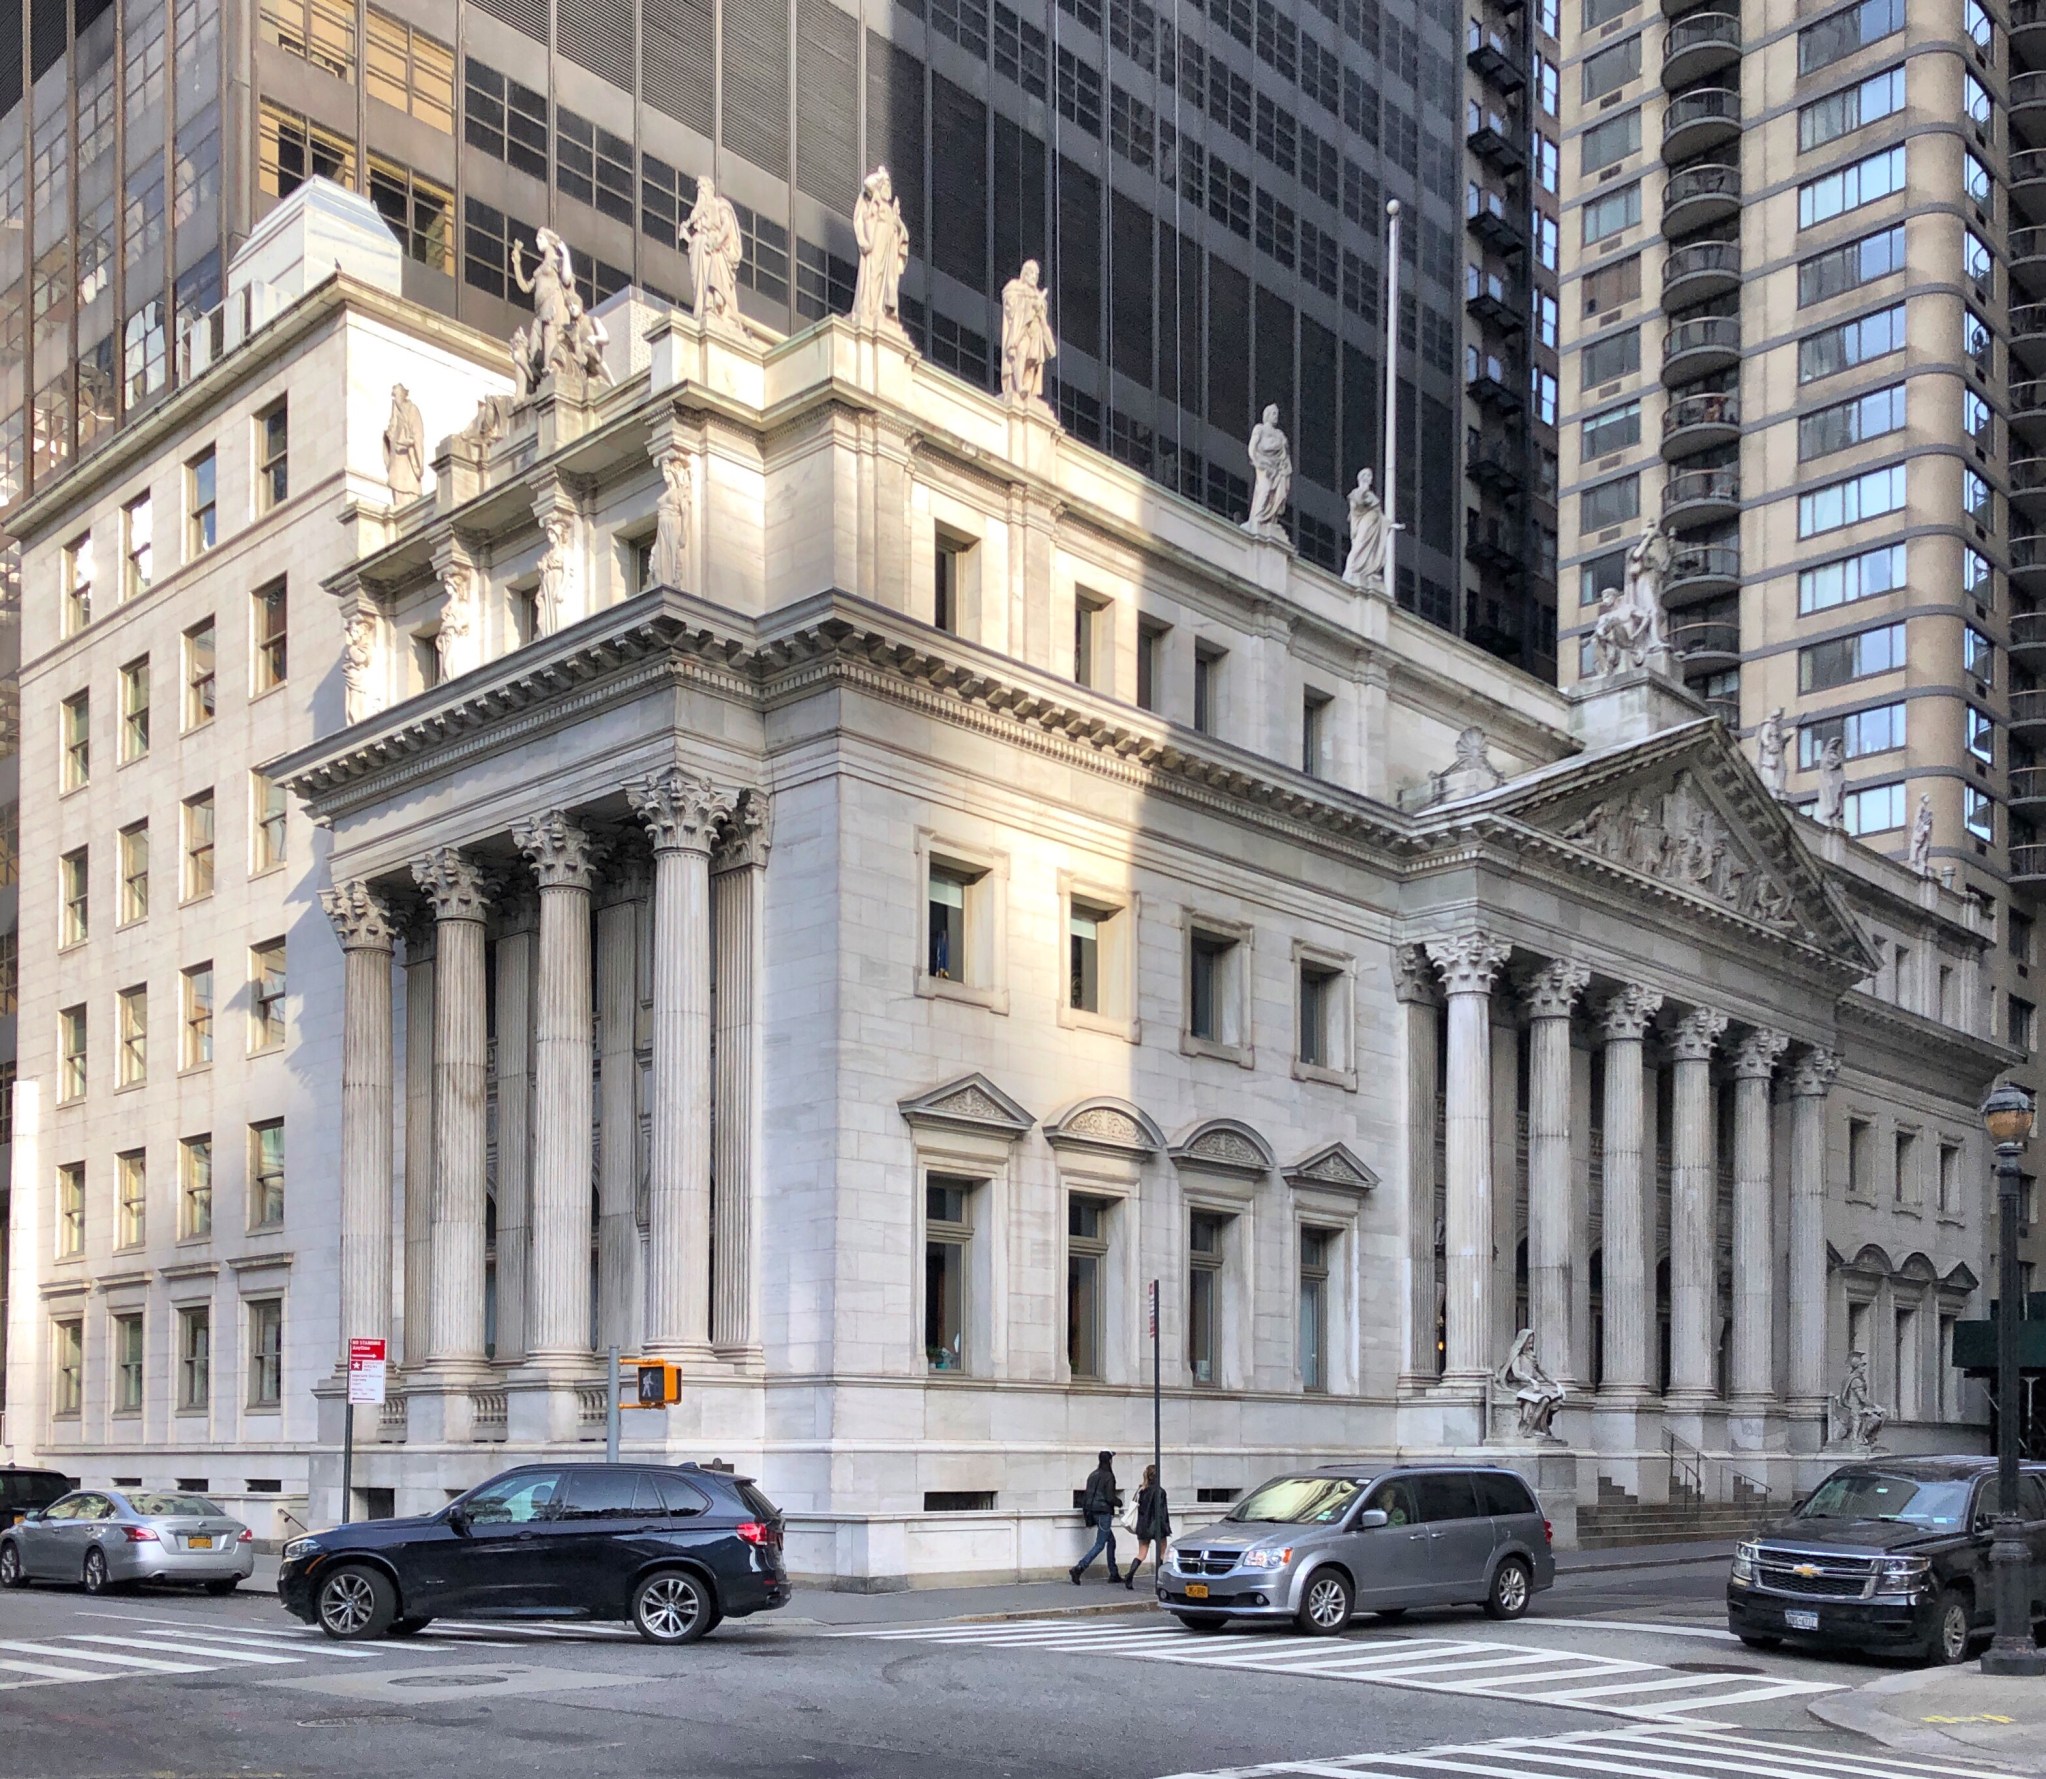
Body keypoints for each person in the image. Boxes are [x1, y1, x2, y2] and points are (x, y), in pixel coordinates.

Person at [1069, 1450, 1121, 1584]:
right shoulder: (1109, 1476)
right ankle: (1079, 1567)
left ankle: (1114, 1573)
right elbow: (1109, 1497)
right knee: (1100, 1544)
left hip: (1092, 1512)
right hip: (1104, 1513)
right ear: (1109, 1461)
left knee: (1111, 1541)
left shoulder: (1093, 1475)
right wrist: (1118, 1502)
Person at [1123, 1464, 1170, 1590]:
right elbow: (1162, 1512)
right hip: (1157, 1526)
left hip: (1143, 1525)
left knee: (1141, 1554)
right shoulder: (1160, 1491)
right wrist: (1166, 1528)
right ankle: (1159, 1581)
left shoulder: (1141, 1490)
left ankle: (1130, 1576)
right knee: (1162, 1552)